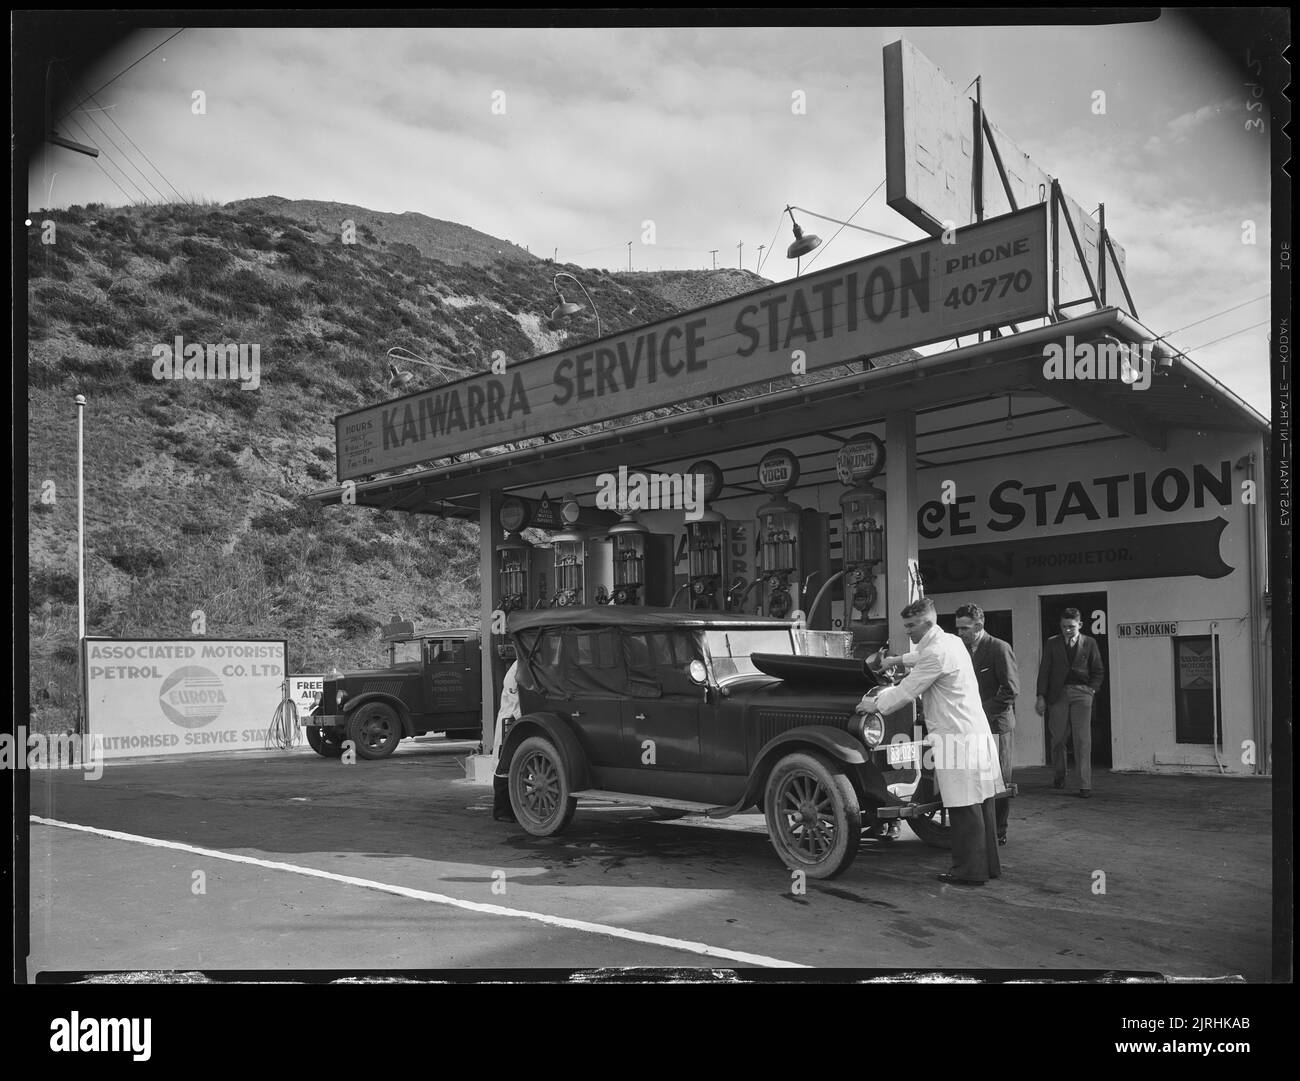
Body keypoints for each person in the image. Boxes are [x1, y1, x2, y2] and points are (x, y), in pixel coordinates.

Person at [857, 597, 1004, 887]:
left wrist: (873, 705)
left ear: (927, 623)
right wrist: (896, 661)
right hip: (972, 731)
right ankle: (988, 867)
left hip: (955, 737)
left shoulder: (936, 653)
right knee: (982, 801)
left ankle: (968, 872)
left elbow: (907, 690)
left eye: (911, 625)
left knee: (963, 805)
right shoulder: (950, 642)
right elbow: (921, 657)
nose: (907, 631)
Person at [953, 603, 1019, 845]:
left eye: (965, 628)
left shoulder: (999, 648)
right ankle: (982, 831)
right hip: (970, 727)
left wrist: (980, 712)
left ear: (979, 625)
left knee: (998, 780)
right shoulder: (961, 649)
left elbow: (1011, 690)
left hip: (995, 726)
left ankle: (999, 831)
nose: (960, 633)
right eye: (958, 628)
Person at [1035, 607, 1105, 798]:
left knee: (1082, 739)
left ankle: (1085, 784)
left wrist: (1091, 690)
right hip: (1058, 695)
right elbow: (1044, 670)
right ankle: (1059, 774)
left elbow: (1098, 670)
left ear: (1080, 625)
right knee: (1058, 738)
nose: (1067, 630)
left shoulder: (1090, 643)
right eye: (1064, 626)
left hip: (1082, 694)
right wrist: (1041, 696)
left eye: (1071, 627)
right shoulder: (1052, 643)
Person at [491, 661, 521, 822]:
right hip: (510, 721)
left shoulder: (521, 667)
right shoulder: (516, 671)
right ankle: (502, 810)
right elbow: (516, 702)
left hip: (515, 721)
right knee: (504, 765)